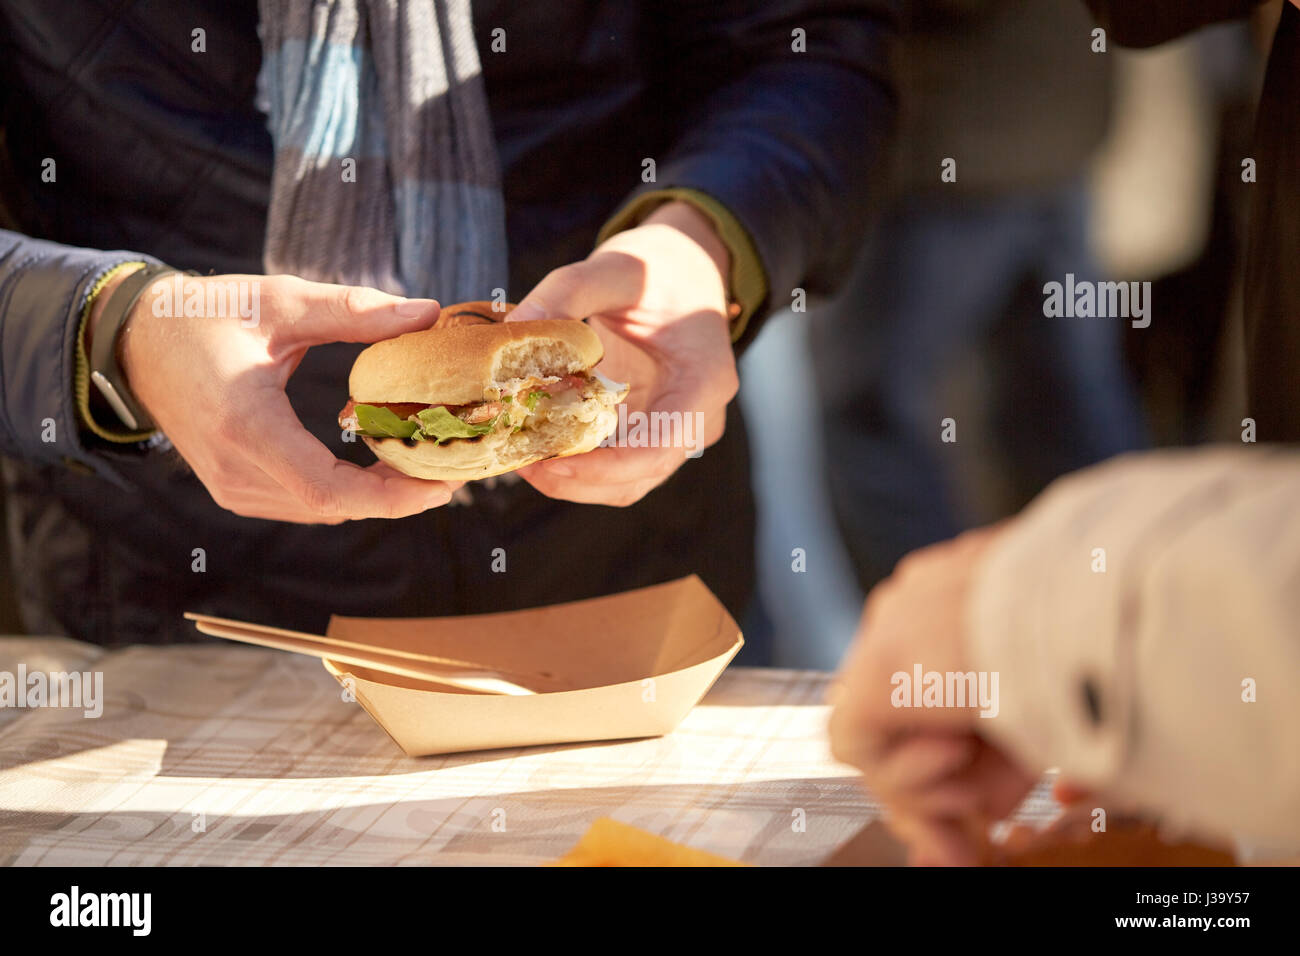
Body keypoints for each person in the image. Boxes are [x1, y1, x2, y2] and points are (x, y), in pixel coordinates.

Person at [0, 1, 896, 643]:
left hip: (625, 575)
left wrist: (708, 237)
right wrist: (111, 328)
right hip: (165, 594)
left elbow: (805, 40)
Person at [828, 0, 1300, 863]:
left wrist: (1007, 626)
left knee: (884, 422)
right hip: (1052, 126)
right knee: (1067, 414)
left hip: (962, 130)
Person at [810, 0, 1145, 593]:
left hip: (953, 142)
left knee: (871, 416)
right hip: (1042, 121)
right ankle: (1109, 629)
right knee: (1064, 407)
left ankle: (945, 647)